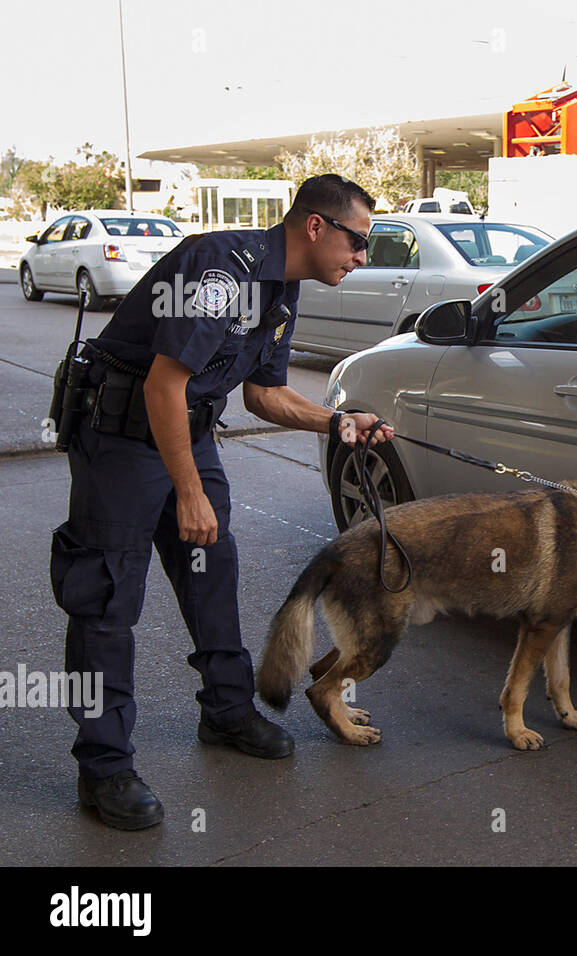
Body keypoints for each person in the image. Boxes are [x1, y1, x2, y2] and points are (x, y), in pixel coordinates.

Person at [50, 173, 393, 830]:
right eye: (357, 242)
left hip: (186, 429)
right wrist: (188, 491)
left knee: (212, 573)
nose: (360, 257)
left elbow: (264, 394)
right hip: (123, 439)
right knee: (105, 600)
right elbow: (161, 386)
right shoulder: (222, 267)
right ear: (315, 226)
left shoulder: (281, 291)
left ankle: (228, 711)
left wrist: (341, 422)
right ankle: (104, 768)